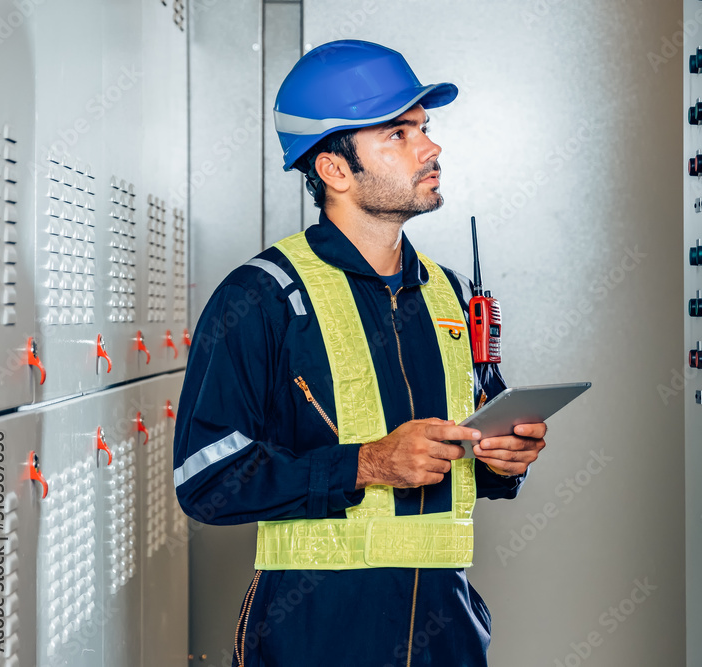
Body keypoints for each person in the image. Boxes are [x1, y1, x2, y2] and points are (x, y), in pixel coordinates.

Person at [173, 39, 548, 666]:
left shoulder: (450, 295)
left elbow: (470, 442)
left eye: (424, 129)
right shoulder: (260, 298)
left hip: (446, 632)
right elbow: (204, 479)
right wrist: (367, 465)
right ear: (335, 170)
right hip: (313, 634)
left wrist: (506, 459)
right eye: (398, 134)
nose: (430, 148)